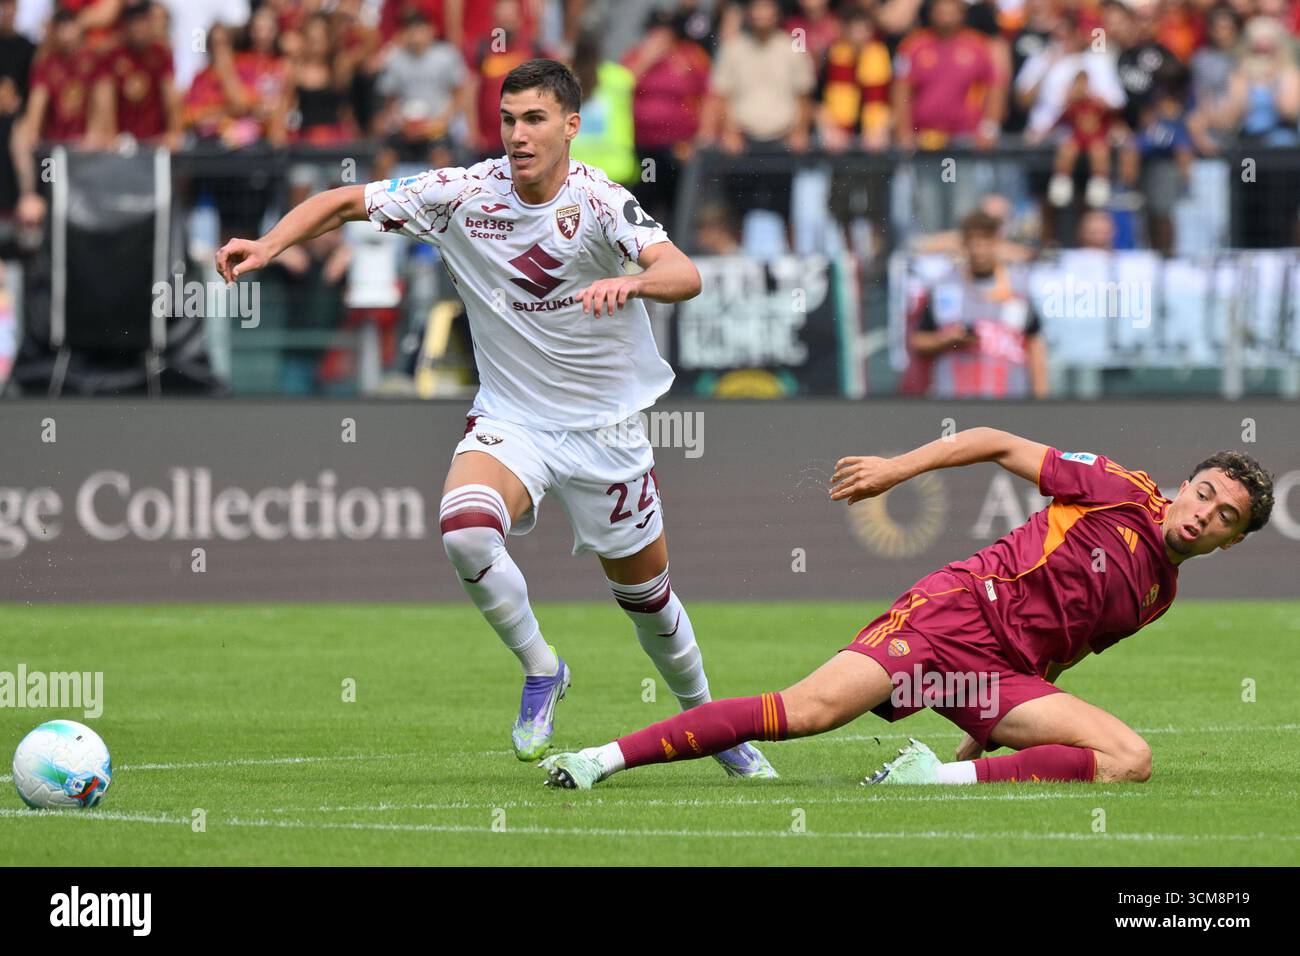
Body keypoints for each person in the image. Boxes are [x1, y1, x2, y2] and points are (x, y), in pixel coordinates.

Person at [214, 58, 775, 779]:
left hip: (606, 433)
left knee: (649, 605)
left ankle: (712, 724)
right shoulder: (462, 193)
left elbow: (684, 274)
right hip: (514, 421)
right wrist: (268, 245)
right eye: (508, 119)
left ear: (571, 126)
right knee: (464, 530)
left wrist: (631, 280)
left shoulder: (600, 202)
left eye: (535, 119)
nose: (518, 134)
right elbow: (347, 200)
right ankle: (543, 669)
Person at [538, 429, 1274, 789]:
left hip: (994, 676)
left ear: (1233, 541)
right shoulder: (1116, 487)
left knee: (1129, 760)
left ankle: (935, 779)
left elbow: (1063, 649)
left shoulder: (1160, 594)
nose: (1205, 514)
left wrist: (979, 740)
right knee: (808, 713)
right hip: (951, 615)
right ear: (1185, 486)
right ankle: (601, 759)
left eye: (1226, 516)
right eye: (1204, 493)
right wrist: (895, 469)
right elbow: (992, 442)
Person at [908, 210, 1049, 399]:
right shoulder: (944, 287)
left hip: (1009, 402)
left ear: (997, 242)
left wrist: (1041, 400)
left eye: (984, 241)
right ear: (963, 244)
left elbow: (1035, 346)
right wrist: (947, 340)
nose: (978, 249)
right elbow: (918, 341)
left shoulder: (1018, 288)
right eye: (972, 242)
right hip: (955, 403)